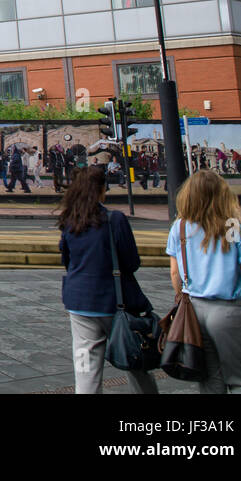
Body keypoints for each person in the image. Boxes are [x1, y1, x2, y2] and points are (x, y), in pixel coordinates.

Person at [57, 165, 160, 395]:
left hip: (80, 305)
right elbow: (132, 262)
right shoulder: (115, 220)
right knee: (136, 359)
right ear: (101, 190)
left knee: (85, 369)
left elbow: (67, 260)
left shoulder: (70, 221)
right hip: (116, 304)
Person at [167, 170, 241, 393]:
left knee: (209, 379)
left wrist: (180, 297)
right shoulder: (232, 227)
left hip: (194, 310)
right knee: (240, 380)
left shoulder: (180, 228)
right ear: (221, 194)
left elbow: (175, 273)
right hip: (227, 312)